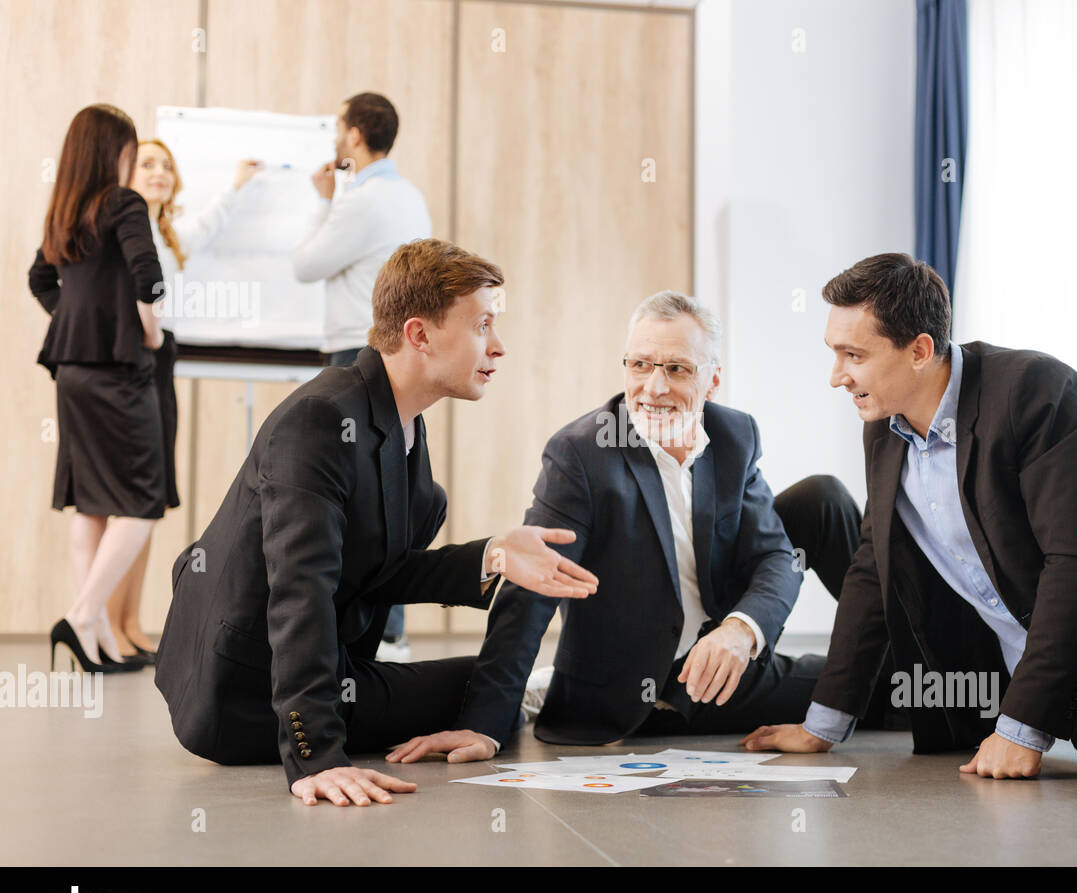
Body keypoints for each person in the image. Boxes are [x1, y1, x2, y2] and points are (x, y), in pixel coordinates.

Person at [742, 252, 1077, 794]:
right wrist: (824, 723)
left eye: (853, 356)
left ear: (919, 350)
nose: (836, 376)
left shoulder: (1036, 390)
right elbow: (872, 568)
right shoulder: (883, 428)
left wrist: (1019, 729)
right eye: (834, 354)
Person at [154, 239, 598, 807]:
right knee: (487, 690)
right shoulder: (321, 419)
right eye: (482, 324)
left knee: (489, 684)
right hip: (244, 689)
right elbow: (300, 591)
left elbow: (379, 573)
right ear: (419, 334)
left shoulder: (401, 425)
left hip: (326, 665)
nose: (498, 346)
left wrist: (494, 555)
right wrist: (315, 757)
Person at [387, 291, 859, 761]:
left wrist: (740, 630)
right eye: (640, 365)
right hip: (628, 693)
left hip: (720, 665)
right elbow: (532, 587)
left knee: (861, 685)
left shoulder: (735, 435)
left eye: (677, 368)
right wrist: (483, 725)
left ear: (712, 381)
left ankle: (922, 671)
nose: (654, 388)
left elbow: (774, 554)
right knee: (857, 689)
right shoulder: (581, 454)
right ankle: (544, 688)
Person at [104, 141, 261, 664]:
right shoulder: (125, 228)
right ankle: (108, 623)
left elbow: (208, 226)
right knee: (131, 495)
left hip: (162, 358)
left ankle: (127, 622)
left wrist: (237, 186)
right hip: (136, 356)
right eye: (148, 164)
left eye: (167, 165)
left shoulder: (166, 232)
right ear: (127, 173)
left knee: (149, 498)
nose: (159, 173)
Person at [291, 91, 434, 662]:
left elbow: (305, 264)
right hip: (395, 355)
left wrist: (323, 200)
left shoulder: (361, 201)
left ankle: (349, 634)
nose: (334, 136)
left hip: (358, 352)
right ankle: (388, 631)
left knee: (346, 488)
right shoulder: (410, 198)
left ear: (354, 136)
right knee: (389, 487)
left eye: (337, 126)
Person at [29, 103, 167, 675]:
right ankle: (85, 614)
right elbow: (148, 275)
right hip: (118, 369)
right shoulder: (122, 202)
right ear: (117, 152)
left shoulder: (66, 212)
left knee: (90, 501)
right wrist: (150, 333)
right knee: (141, 500)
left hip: (72, 372)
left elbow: (39, 279)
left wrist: (75, 319)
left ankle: (97, 635)